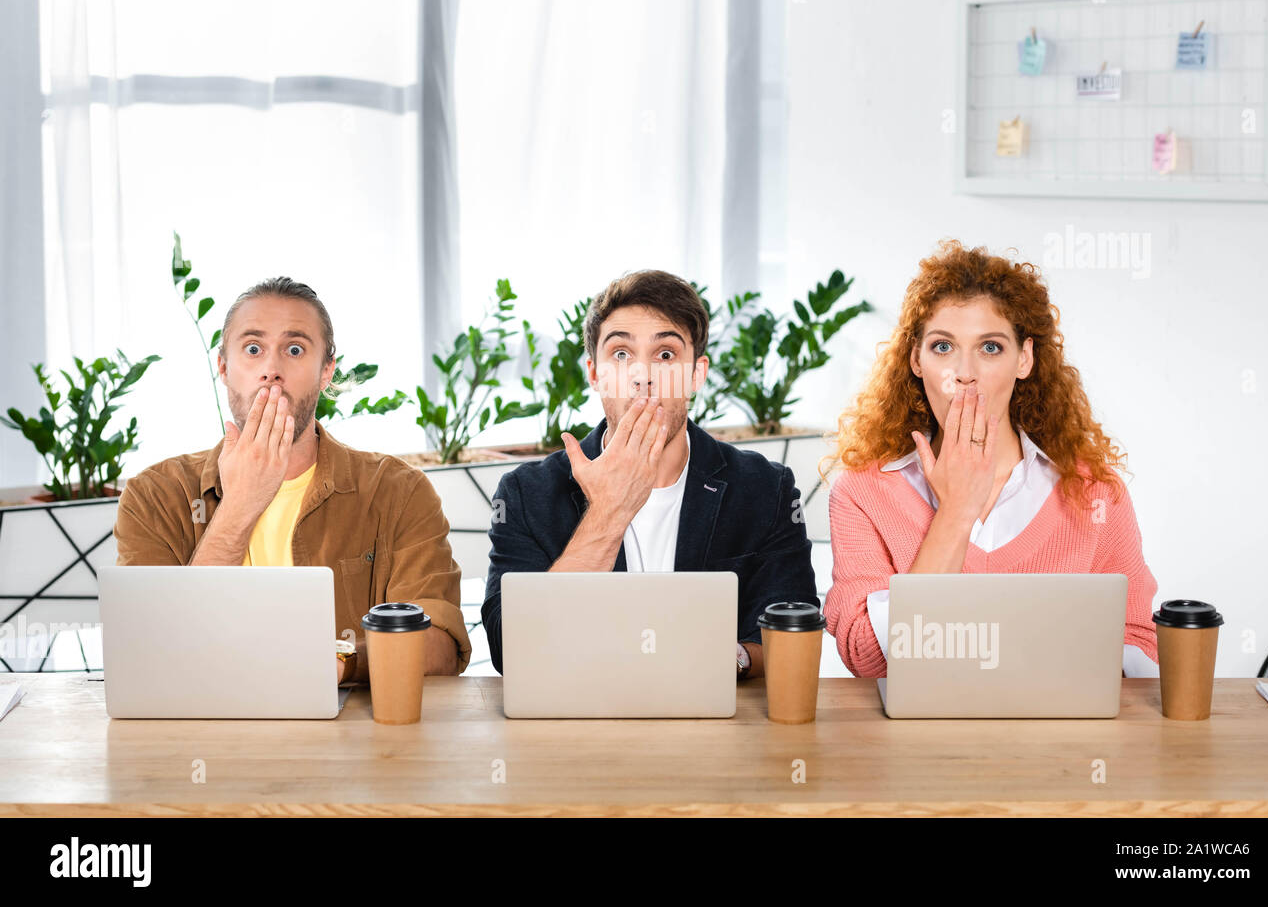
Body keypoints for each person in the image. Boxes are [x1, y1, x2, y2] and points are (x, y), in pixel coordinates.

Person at [822, 240, 1159, 679]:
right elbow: (868, 660)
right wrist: (957, 512)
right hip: (915, 745)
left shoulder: (1095, 492)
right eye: (942, 347)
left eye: (991, 348)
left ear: (1025, 359)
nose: (965, 372)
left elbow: (1138, 646)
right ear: (916, 361)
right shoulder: (861, 492)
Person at [113, 277, 471, 683]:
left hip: (351, 741)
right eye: (253, 349)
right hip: (204, 734)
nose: (272, 370)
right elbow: (150, 653)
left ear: (325, 372)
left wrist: (335, 663)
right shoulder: (153, 496)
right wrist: (241, 504)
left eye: (295, 349)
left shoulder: (399, 491)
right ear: (224, 368)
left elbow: (440, 648)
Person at [482, 270, 818, 678]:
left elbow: (794, 630)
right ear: (595, 373)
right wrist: (609, 512)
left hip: (719, 727)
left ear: (696, 374)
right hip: (579, 724)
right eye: (621, 354)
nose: (643, 375)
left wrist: (728, 658)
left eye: (665, 355)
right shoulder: (525, 494)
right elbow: (510, 650)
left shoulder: (766, 489)